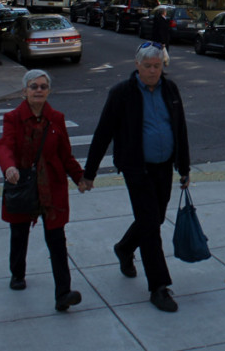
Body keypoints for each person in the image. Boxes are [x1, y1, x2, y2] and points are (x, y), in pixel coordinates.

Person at [81, 42, 190, 313]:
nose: (153, 71)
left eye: (157, 66)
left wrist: (184, 167)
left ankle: (124, 247)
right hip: (136, 168)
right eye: (148, 66)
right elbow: (103, 133)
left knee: (154, 218)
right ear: (137, 65)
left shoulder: (170, 89)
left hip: (163, 166)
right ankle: (159, 286)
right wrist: (89, 173)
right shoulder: (122, 93)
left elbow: (180, 128)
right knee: (150, 226)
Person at [0, 69, 85, 312]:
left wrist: (80, 177)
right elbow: (4, 146)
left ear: (49, 91)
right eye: (33, 86)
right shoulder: (12, 118)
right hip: (23, 184)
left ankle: (63, 294)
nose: (38, 90)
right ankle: (17, 273)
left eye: (43, 86)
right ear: (24, 91)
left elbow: (65, 154)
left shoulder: (56, 118)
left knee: (57, 239)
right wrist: (9, 167)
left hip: (51, 188)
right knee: (19, 232)